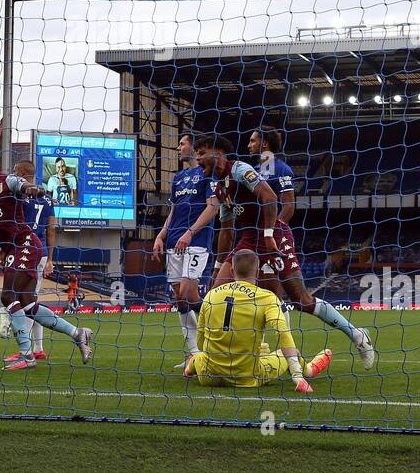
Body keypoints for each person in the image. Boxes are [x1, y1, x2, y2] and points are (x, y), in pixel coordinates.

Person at [197, 133, 375, 369]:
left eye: (200, 153)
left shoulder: (240, 169)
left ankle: (357, 336)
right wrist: (218, 267)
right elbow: (227, 230)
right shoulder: (219, 186)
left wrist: (270, 234)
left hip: (275, 236)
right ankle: (216, 357)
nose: (196, 159)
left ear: (217, 152)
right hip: (249, 241)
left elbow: (270, 197)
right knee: (216, 293)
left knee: (300, 300)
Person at [0, 148, 93, 371]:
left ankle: (27, 356)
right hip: (14, 249)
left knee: (8, 296)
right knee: (28, 304)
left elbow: (25, 186)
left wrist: (33, 189)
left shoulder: (7, 181)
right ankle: (78, 334)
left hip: (26, 242)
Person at [185, 249, 331, 392]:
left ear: (231, 271)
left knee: (199, 357)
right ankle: (309, 370)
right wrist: (297, 375)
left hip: (208, 375)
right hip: (245, 377)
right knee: (284, 353)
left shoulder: (211, 295)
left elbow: (200, 342)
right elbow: (282, 333)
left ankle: (190, 368)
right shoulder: (266, 297)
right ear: (257, 273)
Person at [151, 133, 217, 370]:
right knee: (180, 299)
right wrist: (161, 235)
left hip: (197, 240)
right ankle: (194, 354)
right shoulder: (178, 177)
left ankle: (214, 341)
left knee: (190, 293)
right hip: (174, 243)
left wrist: (190, 232)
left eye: (182, 143)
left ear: (195, 147)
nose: (179, 147)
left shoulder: (208, 173)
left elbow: (213, 207)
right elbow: (173, 211)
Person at [13, 160, 56, 362]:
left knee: (25, 301)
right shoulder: (47, 198)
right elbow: (52, 229)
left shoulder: (20, 196)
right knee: (32, 299)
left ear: (22, 173)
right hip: (42, 252)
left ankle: (28, 349)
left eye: (15, 171)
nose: (13, 174)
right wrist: (51, 259)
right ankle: (37, 348)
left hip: (27, 250)